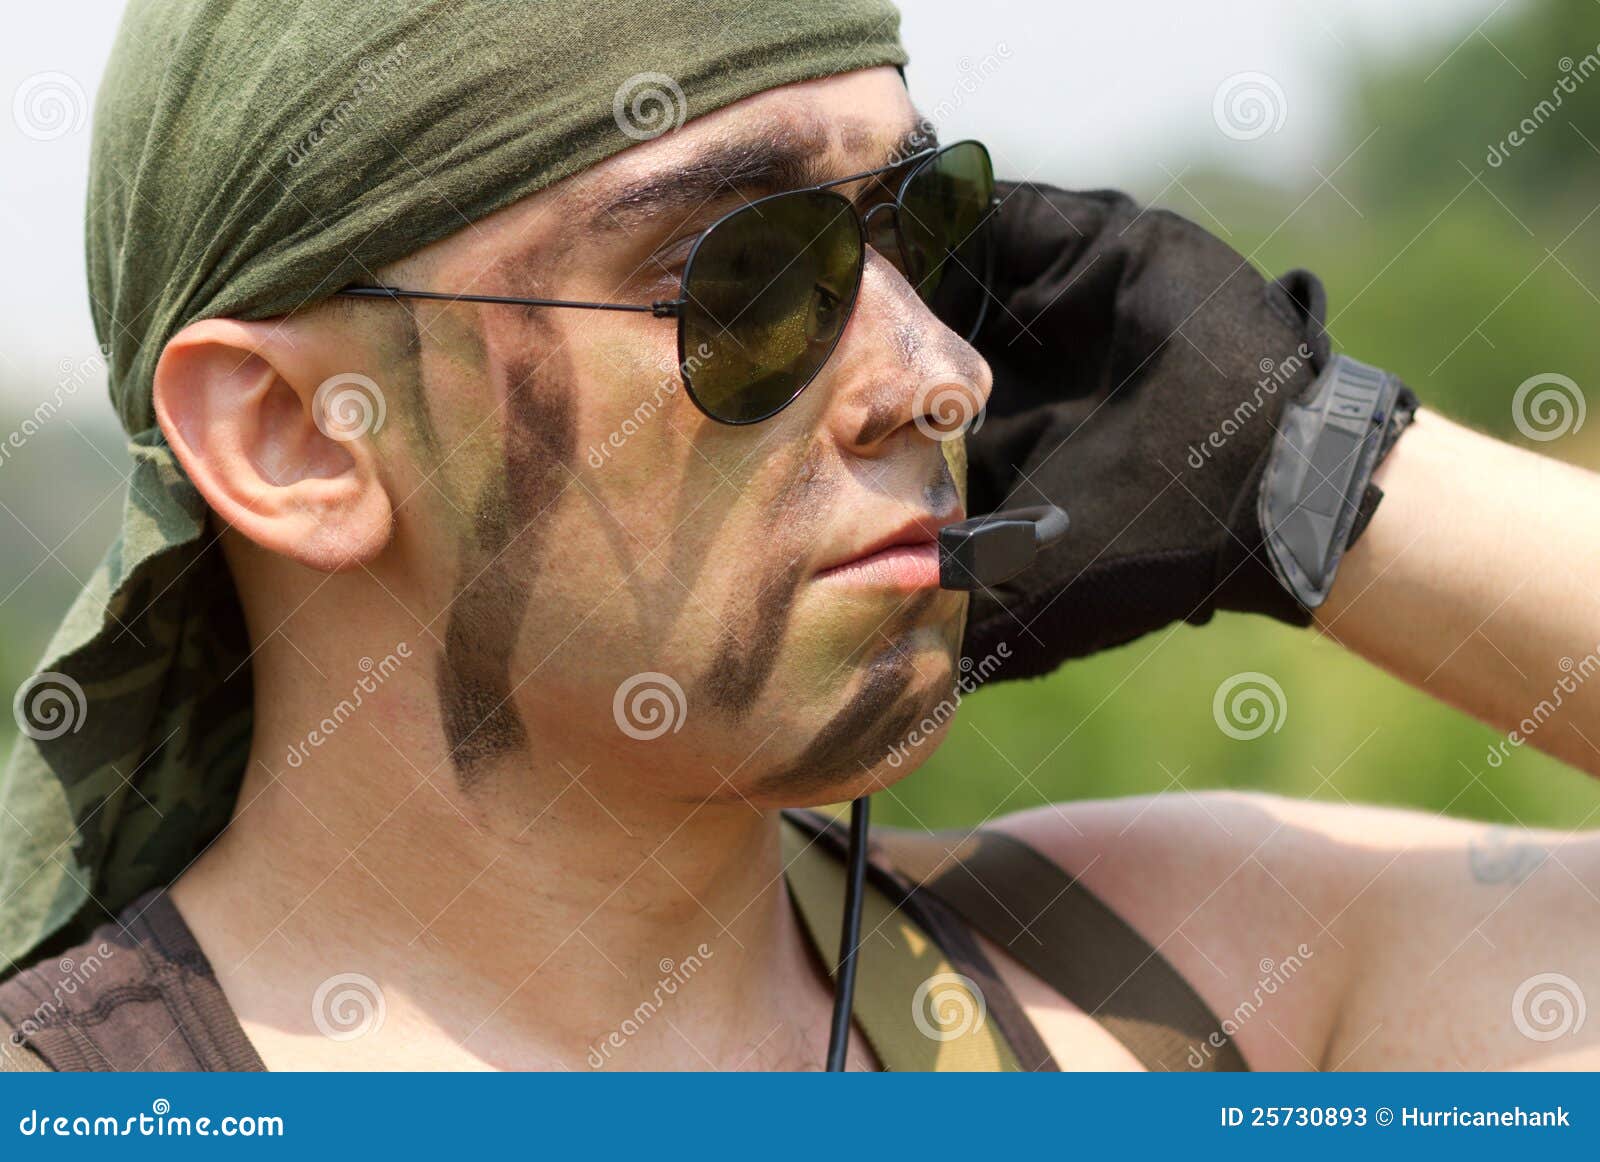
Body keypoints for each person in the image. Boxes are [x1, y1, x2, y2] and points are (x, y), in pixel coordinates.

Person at [2, 0, 1597, 1072]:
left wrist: (1315, 475)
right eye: (746, 276)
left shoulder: (1162, 989)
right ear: (294, 439)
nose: (944, 374)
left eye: (919, 236)